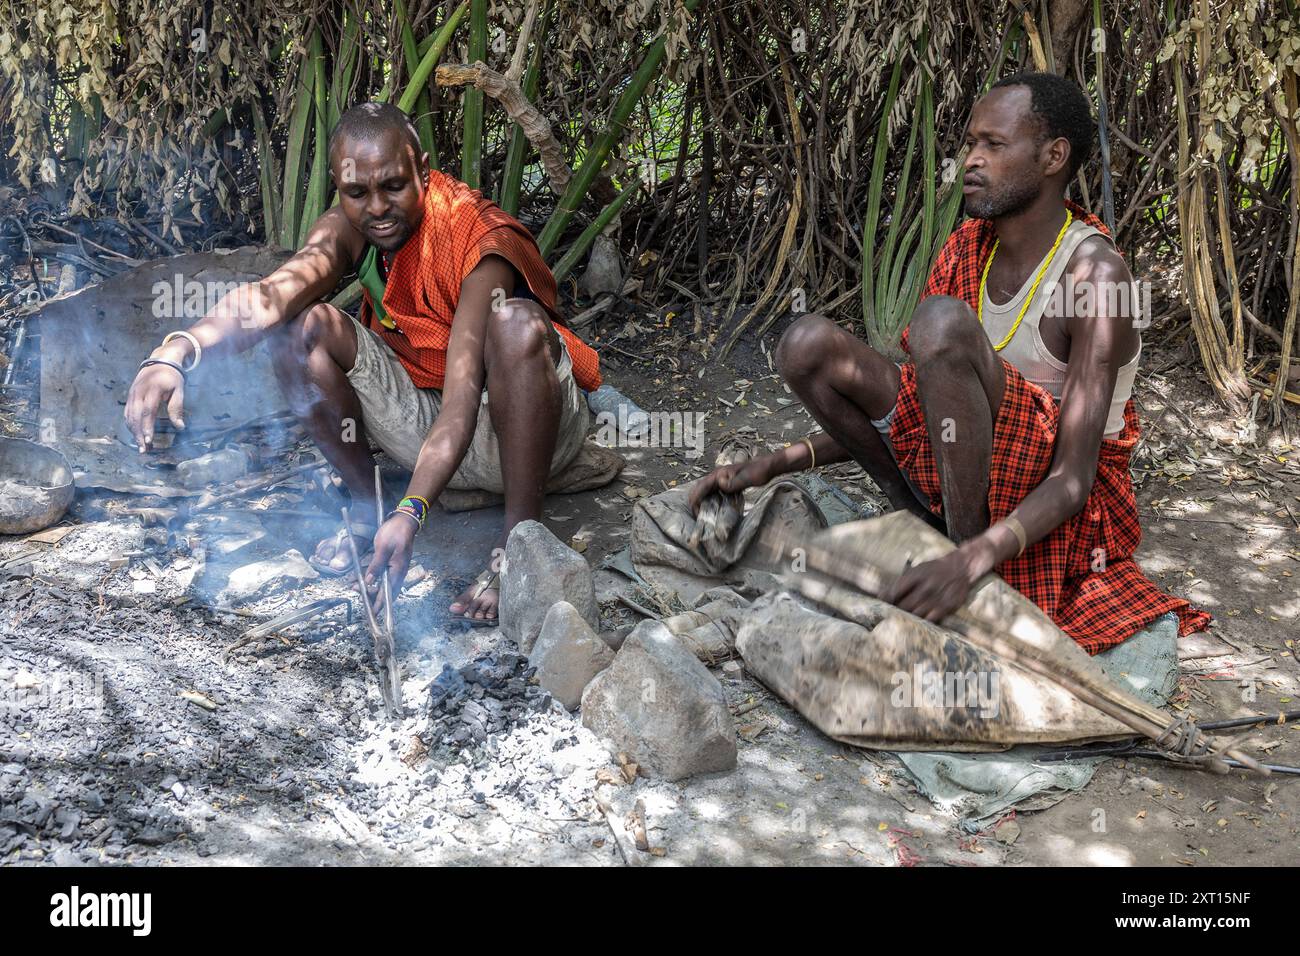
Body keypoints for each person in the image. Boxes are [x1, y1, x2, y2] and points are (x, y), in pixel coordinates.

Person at [690, 72, 1209, 654]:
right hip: (967, 473)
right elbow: (923, 404)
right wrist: (779, 462)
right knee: (806, 344)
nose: (972, 160)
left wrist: (972, 558)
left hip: (1059, 511)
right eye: (970, 144)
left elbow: (1075, 478)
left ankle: (963, 566)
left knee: (939, 323)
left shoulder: (1098, 277)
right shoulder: (969, 245)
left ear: (1053, 156)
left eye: (993, 144)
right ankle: (919, 518)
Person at [125, 102, 601, 621]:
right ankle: (365, 503)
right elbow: (270, 297)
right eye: (357, 193)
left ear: (422, 169)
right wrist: (176, 353)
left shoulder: (479, 242)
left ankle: (517, 547)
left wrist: (412, 511)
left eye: (394, 186)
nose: (377, 208)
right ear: (339, 187)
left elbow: (462, 397)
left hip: (518, 430)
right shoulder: (352, 227)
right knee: (299, 329)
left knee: (514, 326)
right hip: (426, 426)